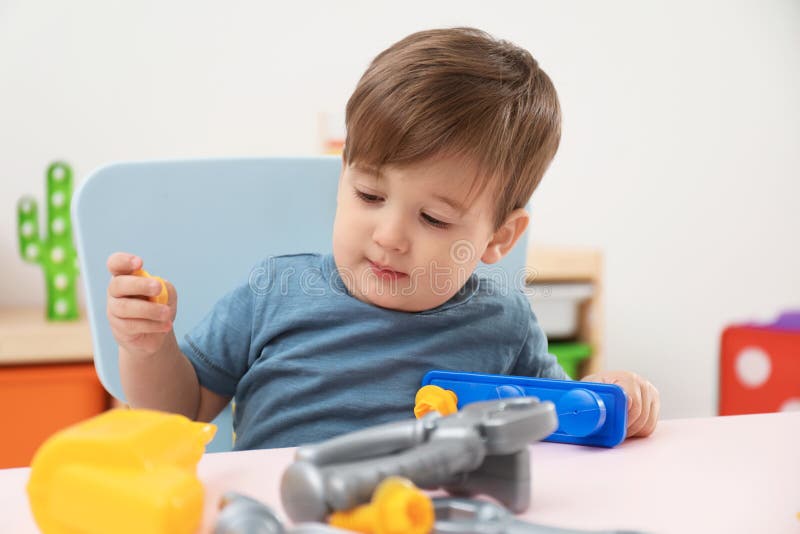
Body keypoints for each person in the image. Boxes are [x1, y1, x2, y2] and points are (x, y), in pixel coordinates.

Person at [105, 27, 659, 450]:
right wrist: (148, 349)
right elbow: (178, 414)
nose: (389, 237)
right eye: (370, 196)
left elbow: (565, 424)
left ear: (500, 237)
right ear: (343, 175)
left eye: (435, 220)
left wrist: (613, 396)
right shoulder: (273, 292)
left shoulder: (505, 324)